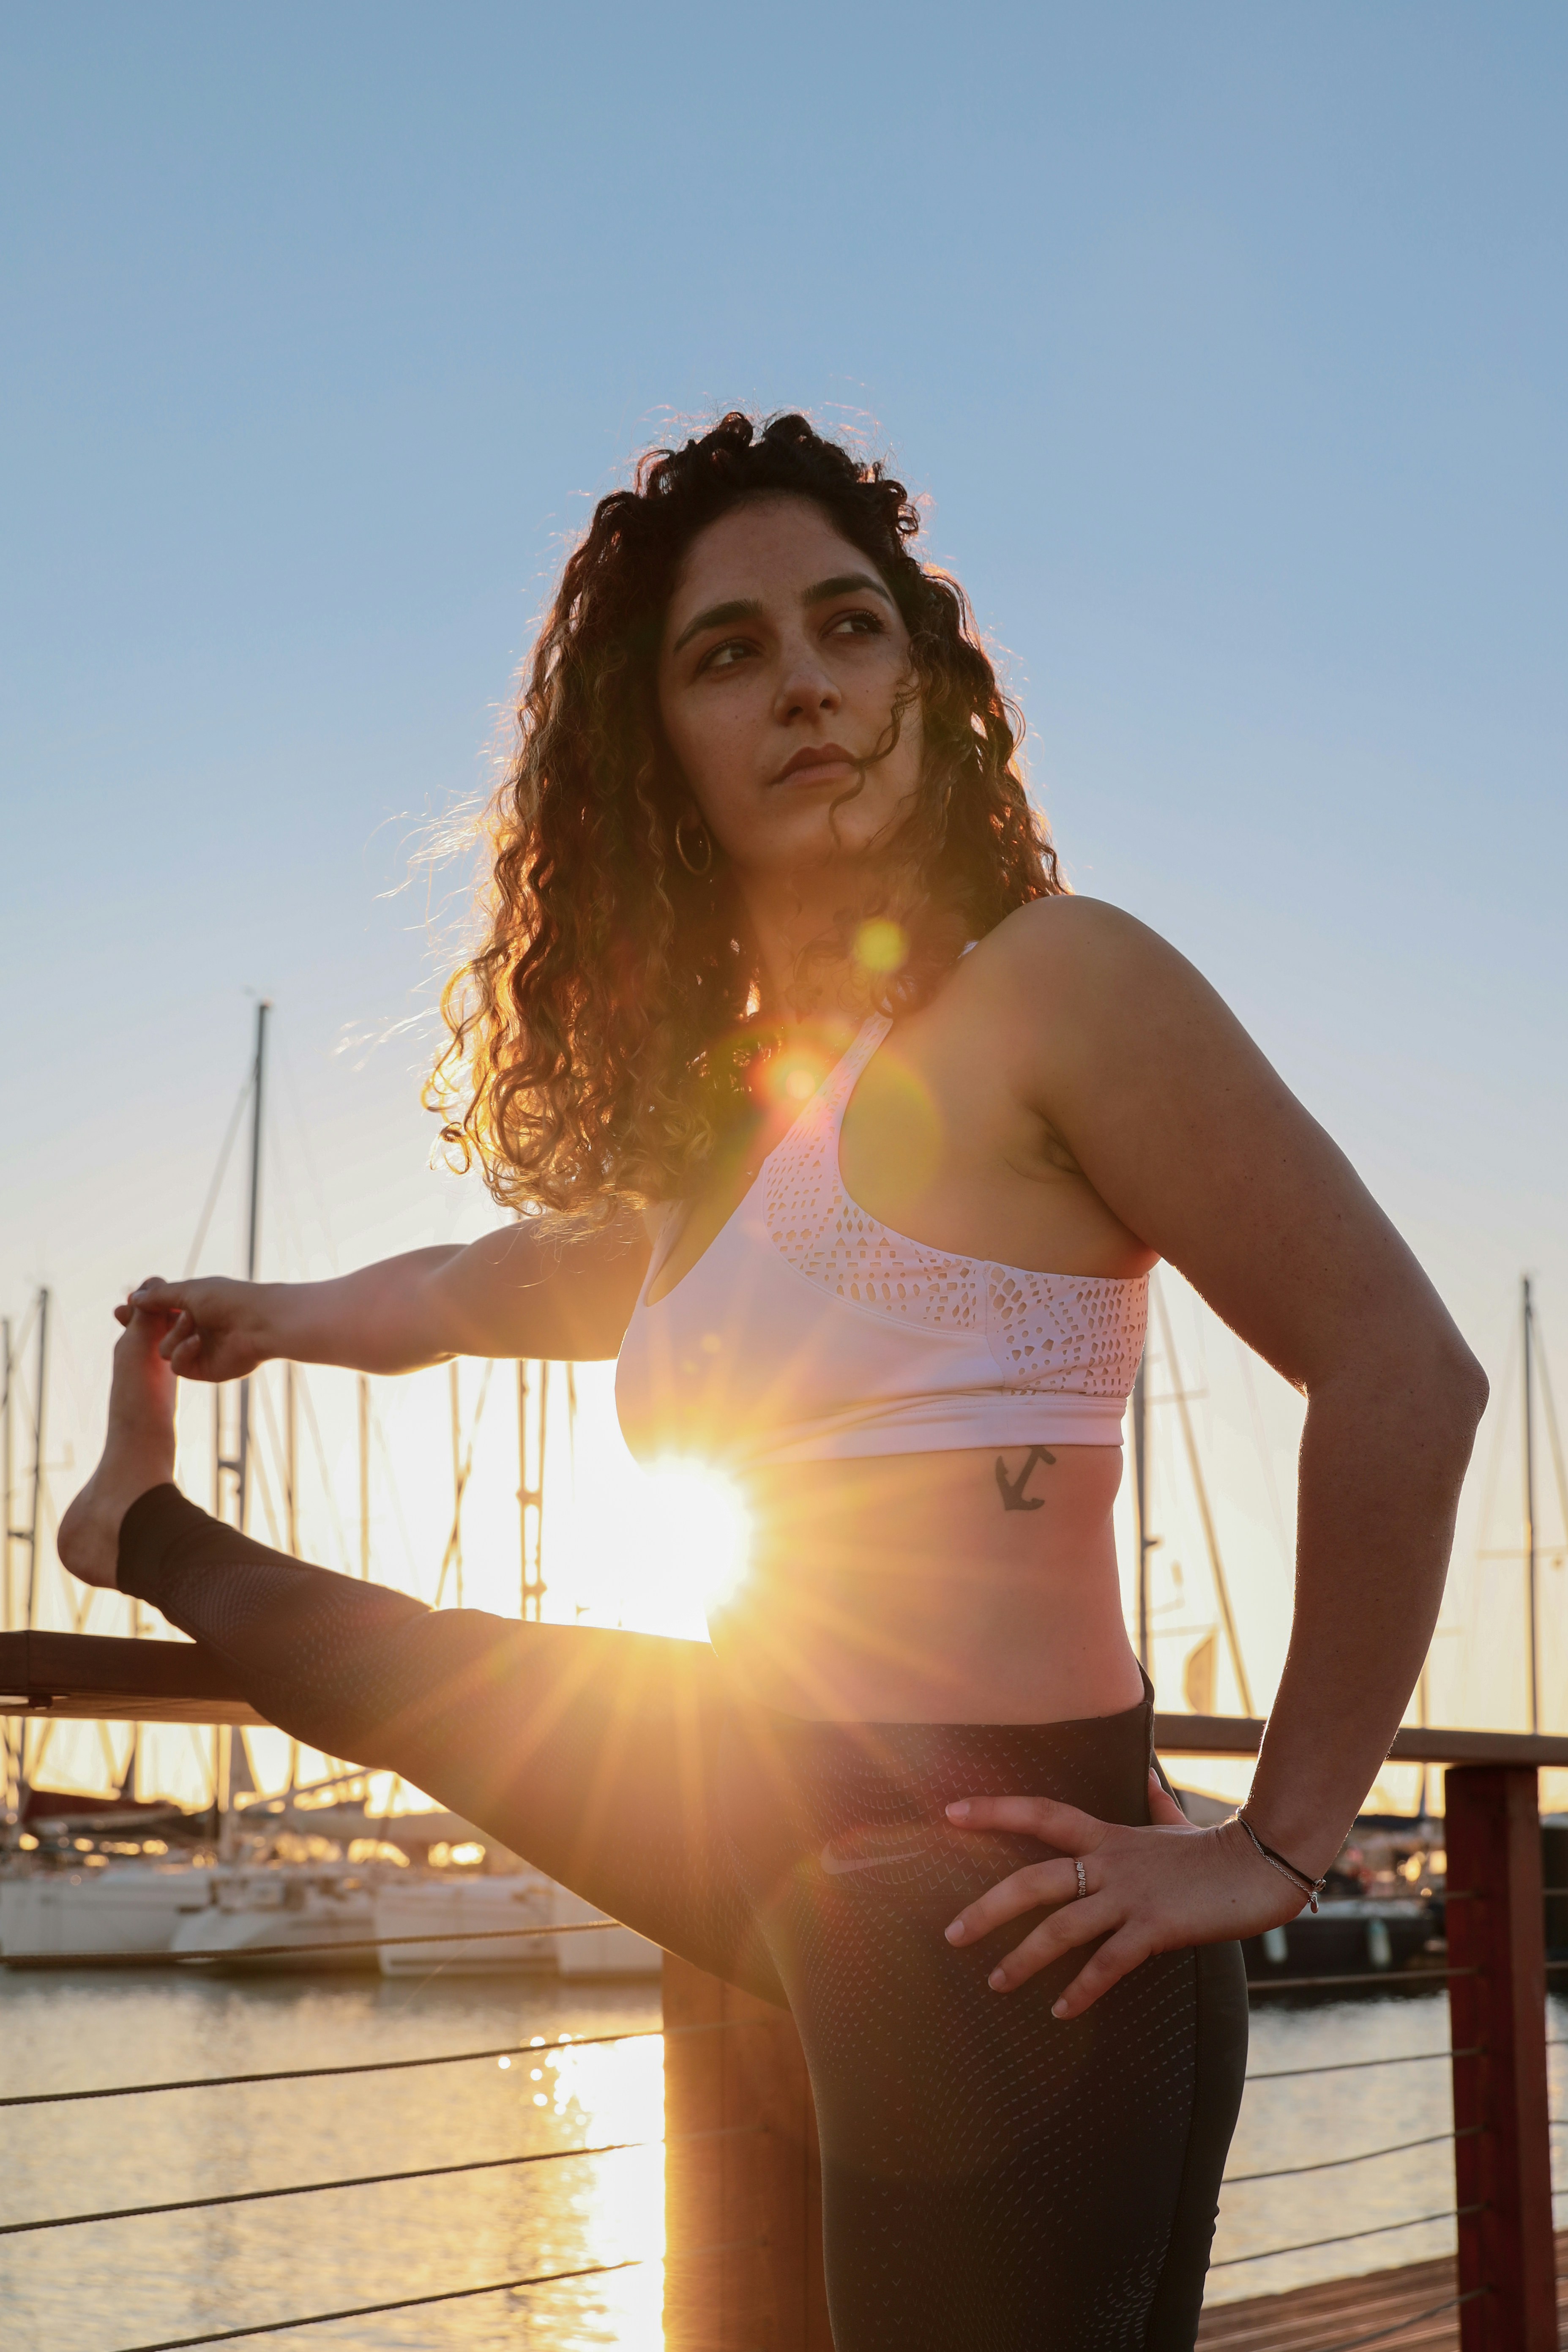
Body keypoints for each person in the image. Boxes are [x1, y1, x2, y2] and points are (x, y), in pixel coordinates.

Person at [61, 412, 1487, 2350]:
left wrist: (1271, 1847)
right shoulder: (718, 1155)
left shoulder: (1054, 987)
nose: (805, 682)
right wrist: (264, 1312)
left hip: (1008, 1904)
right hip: (768, 1816)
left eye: (849, 624)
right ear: (651, 749)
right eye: (729, 653)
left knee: (425, 1670)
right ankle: (139, 1520)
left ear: (926, 682)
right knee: (406, 1668)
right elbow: (470, 1290)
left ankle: (139, 1532)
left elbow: (1405, 1372)